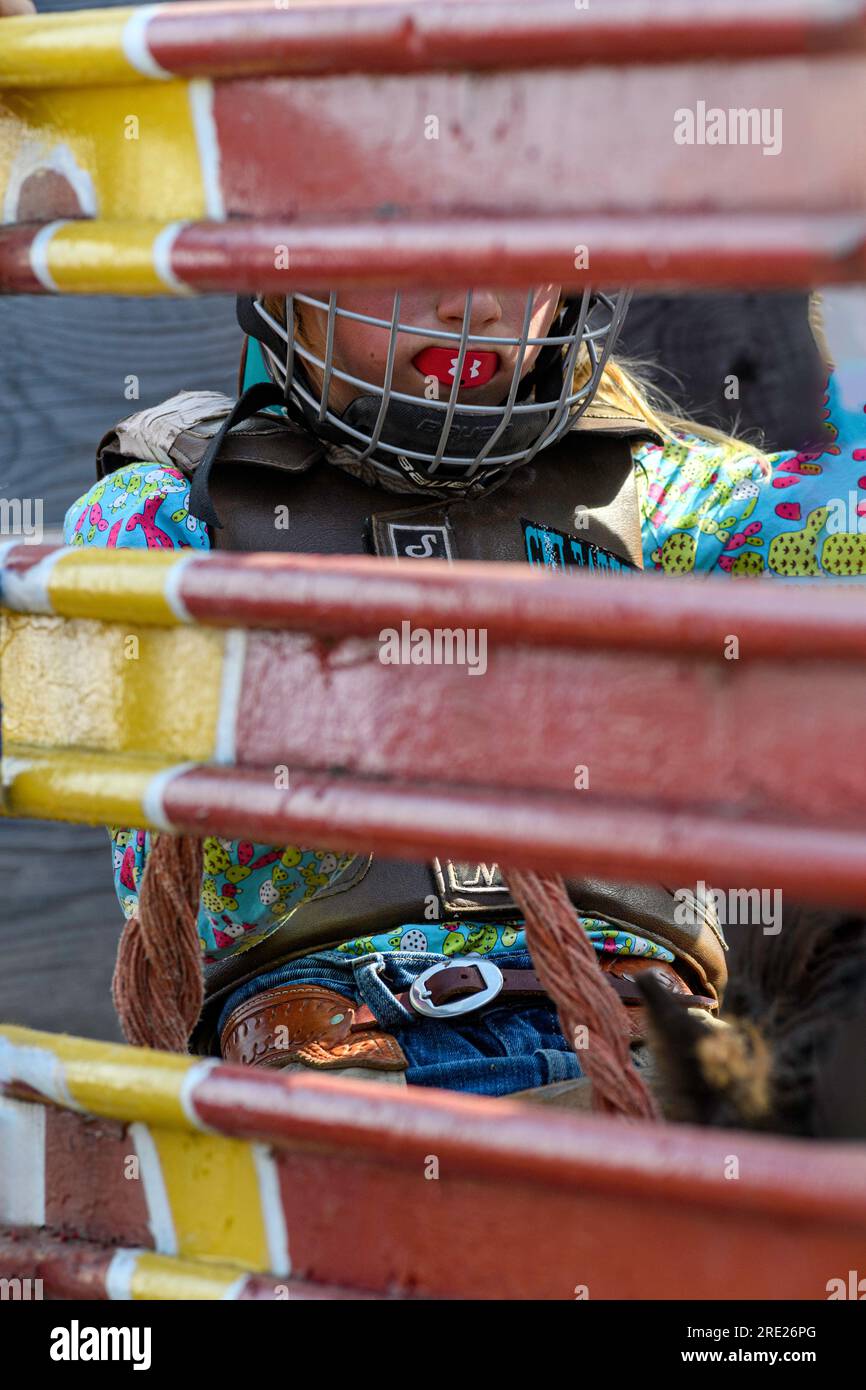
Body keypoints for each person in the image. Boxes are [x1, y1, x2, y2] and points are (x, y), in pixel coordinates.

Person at [65, 273, 864, 1099]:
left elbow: (840, 536)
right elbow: (196, 872)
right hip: (349, 1050)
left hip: (649, 1040)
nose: (474, 305)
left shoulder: (654, 496)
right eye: (413, 256)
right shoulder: (174, 509)